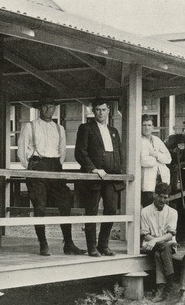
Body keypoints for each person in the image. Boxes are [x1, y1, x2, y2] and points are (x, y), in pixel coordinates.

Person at [17, 99, 85, 257]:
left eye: (52, 107)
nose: (49, 109)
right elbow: (21, 151)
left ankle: (68, 243)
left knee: (65, 204)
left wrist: (55, 166)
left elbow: (61, 152)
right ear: (40, 107)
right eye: (45, 106)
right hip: (36, 166)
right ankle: (43, 242)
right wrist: (31, 167)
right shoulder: (30, 126)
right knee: (39, 207)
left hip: (55, 167)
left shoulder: (59, 128)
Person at [75, 98, 125, 257]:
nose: (101, 113)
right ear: (93, 111)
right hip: (94, 177)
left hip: (111, 177)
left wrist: (118, 172)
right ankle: (92, 247)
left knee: (111, 209)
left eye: (103, 109)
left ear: (108, 110)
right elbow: (80, 153)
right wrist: (93, 169)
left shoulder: (114, 131)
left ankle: (104, 245)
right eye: (97, 110)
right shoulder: (86, 128)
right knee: (92, 210)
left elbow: (119, 153)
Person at [140, 182, 178, 301]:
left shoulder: (172, 212)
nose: (162, 200)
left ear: (168, 197)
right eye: (160, 196)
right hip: (149, 245)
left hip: (166, 244)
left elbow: (170, 235)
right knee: (161, 249)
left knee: (160, 253)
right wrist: (154, 241)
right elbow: (146, 235)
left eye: (165, 197)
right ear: (154, 195)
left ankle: (160, 289)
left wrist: (155, 240)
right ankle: (170, 280)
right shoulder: (145, 211)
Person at [140, 115, 171, 207]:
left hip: (161, 179)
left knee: (162, 206)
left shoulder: (157, 140)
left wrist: (156, 155)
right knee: (149, 206)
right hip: (148, 180)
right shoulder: (139, 140)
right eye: (144, 125)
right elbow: (143, 160)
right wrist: (158, 159)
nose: (147, 128)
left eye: (149, 125)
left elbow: (168, 158)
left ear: (153, 127)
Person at [165, 120, 185, 194]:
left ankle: (173, 202)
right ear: (183, 130)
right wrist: (172, 151)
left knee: (175, 186)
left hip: (178, 167)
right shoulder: (173, 138)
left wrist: (179, 165)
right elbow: (162, 149)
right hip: (167, 165)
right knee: (165, 184)